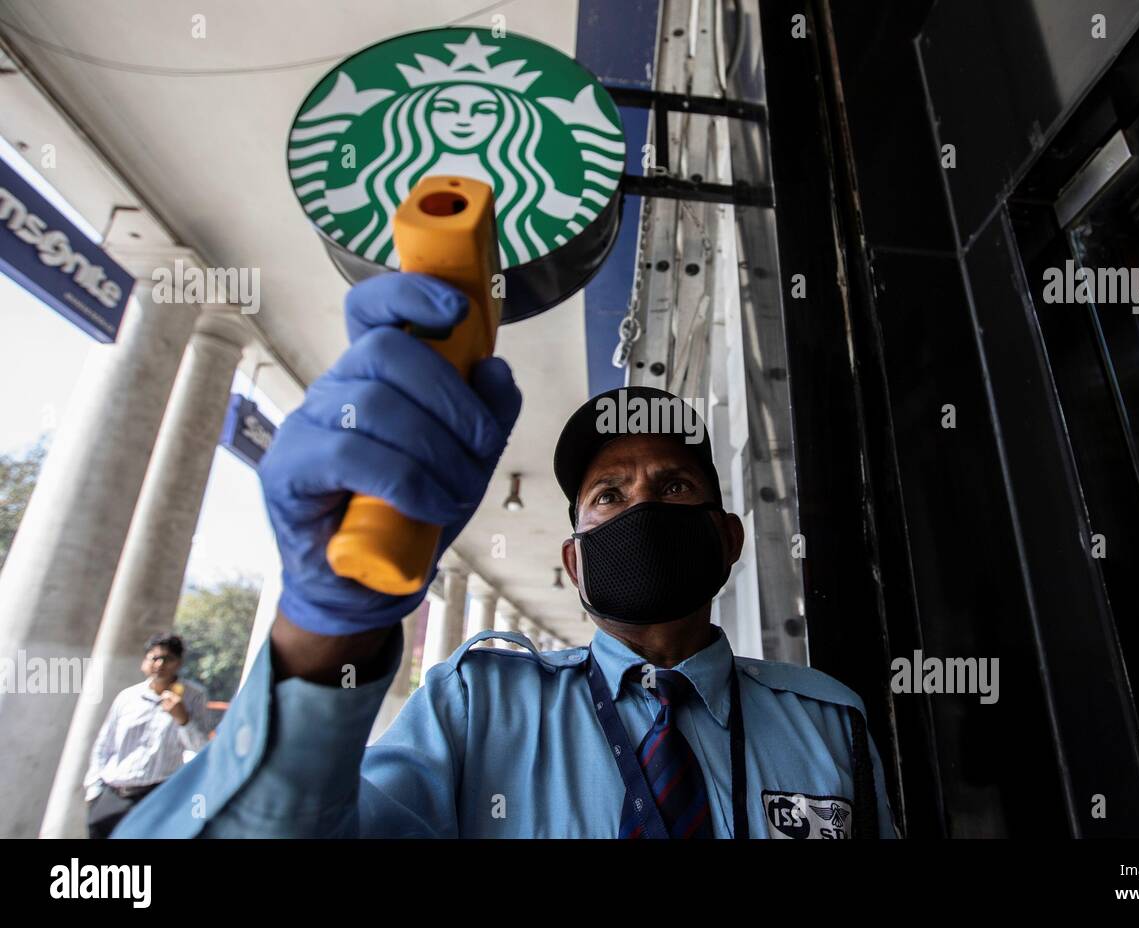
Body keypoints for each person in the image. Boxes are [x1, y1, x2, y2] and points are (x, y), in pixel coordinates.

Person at [115, 272, 896, 839]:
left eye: (676, 483)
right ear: (573, 560)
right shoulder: (476, 708)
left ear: (728, 540)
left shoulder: (829, 720)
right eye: (609, 496)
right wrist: (327, 629)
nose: (643, 504)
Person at [84, 632, 214, 838]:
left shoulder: (194, 696)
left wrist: (183, 719)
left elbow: (201, 748)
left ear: (179, 663)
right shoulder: (128, 697)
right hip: (114, 792)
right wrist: (95, 791)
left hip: (156, 795)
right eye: (155, 658)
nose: (160, 664)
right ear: (144, 662)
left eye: (168, 659)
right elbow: (104, 745)